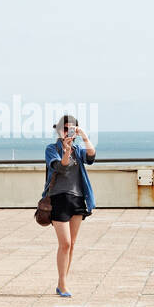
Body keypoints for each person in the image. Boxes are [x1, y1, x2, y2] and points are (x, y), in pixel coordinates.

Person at [43, 115, 96, 296]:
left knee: (72, 244)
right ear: (58, 130)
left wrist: (85, 138)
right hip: (58, 199)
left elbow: (91, 157)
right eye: (65, 129)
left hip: (78, 198)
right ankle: (62, 283)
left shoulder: (79, 148)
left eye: (72, 129)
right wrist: (65, 151)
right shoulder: (52, 149)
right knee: (64, 243)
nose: (68, 132)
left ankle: (62, 282)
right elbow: (61, 167)